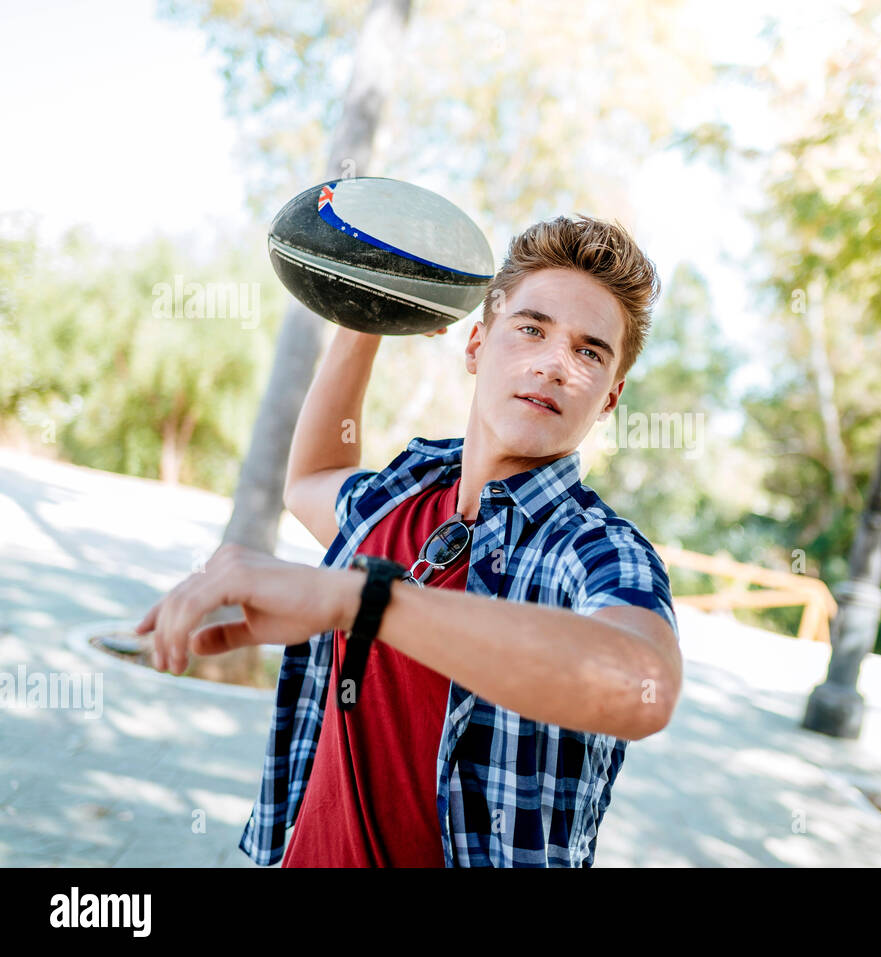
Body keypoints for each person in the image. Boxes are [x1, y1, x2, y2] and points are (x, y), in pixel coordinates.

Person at [134, 214, 681, 867]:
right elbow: (311, 479)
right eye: (530, 328)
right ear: (476, 344)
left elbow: (642, 683)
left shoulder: (596, 548)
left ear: (610, 396)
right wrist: (365, 311)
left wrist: (361, 600)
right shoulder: (409, 488)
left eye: (589, 351)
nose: (554, 363)